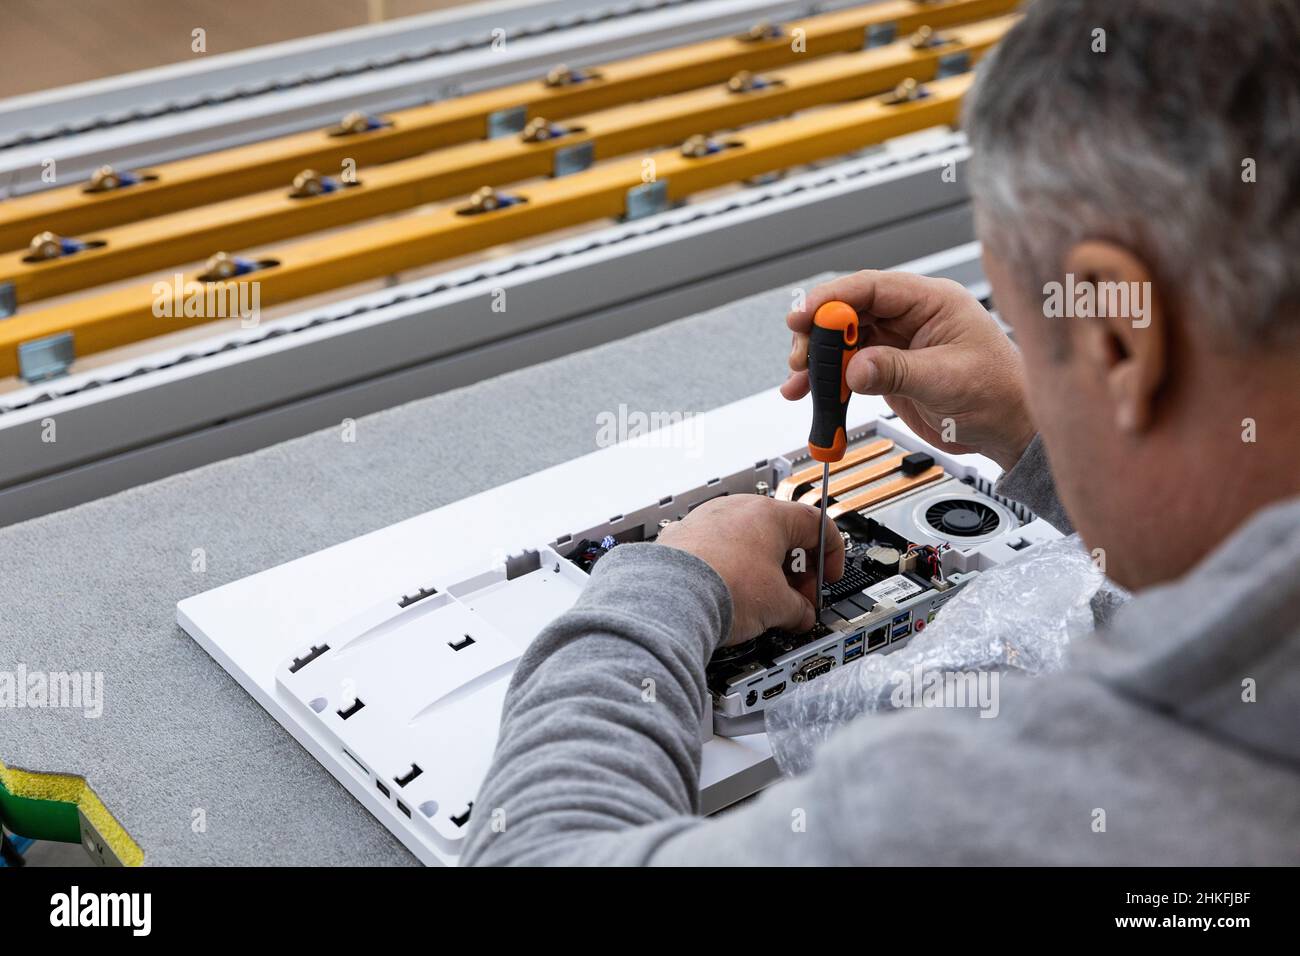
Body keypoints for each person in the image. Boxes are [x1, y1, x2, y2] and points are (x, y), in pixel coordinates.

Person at [462, 0, 1300, 865]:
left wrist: (672, 583)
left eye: (1025, 329)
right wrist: (1036, 426)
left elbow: (528, 853)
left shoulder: (991, 804)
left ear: (1120, 338)